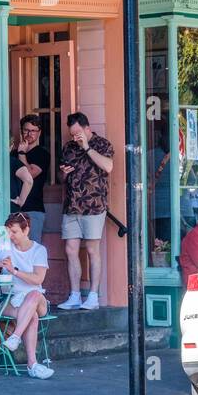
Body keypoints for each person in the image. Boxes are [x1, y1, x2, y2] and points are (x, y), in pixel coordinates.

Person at [57, 111, 115, 311]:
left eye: (78, 133)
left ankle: (92, 296)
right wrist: (63, 175)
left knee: (92, 250)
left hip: (93, 205)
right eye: (72, 134)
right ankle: (74, 295)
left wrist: (87, 147)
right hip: (72, 205)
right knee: (70, 250)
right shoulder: (68, 148)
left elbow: (108, 167)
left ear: (87, 128)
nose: (75, 138)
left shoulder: (102, 144)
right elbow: (62, 177)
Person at [0, 212, 54, 379]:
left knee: (33, 294)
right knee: (32, 316)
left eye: (14, 232)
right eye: (8, 232)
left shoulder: (39, 250)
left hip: (37, 299)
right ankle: (32, 365)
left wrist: (14, 271)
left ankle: (15, 336)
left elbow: (38, 279)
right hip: (11, 300)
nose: (11, 236)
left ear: (26, 230)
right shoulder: (5, 248)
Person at [10, 114, 49, 242]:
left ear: (39, 133)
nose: (29, 134)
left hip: (33, 210)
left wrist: (22, 153)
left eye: (33, 131)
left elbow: (29, 175)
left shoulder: (42, 153)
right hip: (13, 209)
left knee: (31, 248)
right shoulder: (13, 153)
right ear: (21, 131)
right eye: (26, 130)